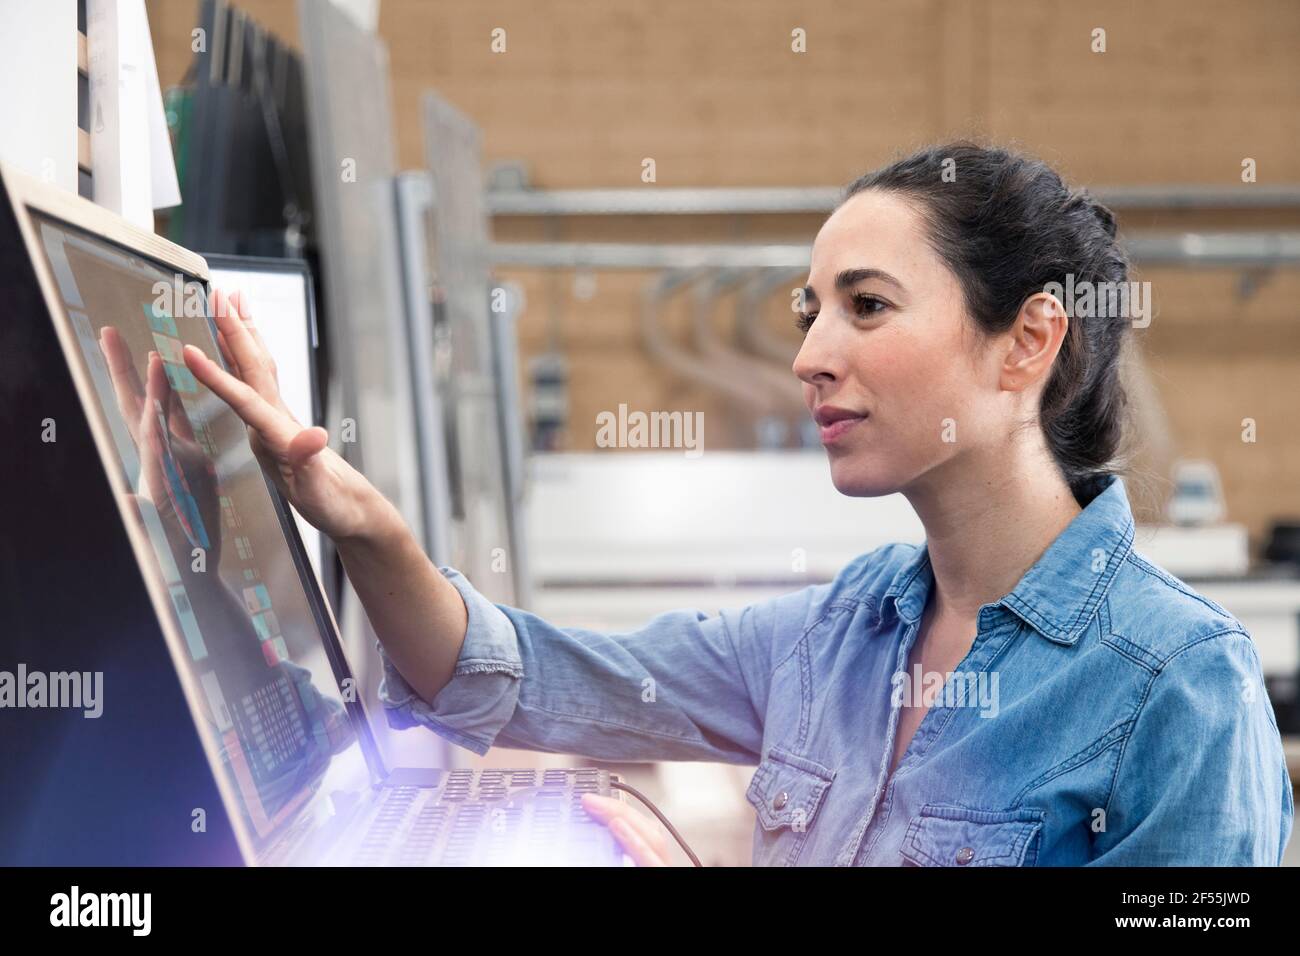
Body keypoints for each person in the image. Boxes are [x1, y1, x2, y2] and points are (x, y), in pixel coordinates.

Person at [182, 142, 1294, 866]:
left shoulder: (1179, 685)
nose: (810, 355)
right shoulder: (841, 633)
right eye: (812, 312)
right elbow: (514, 677)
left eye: (866, 306)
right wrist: (363, 525)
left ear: (1028, 341)